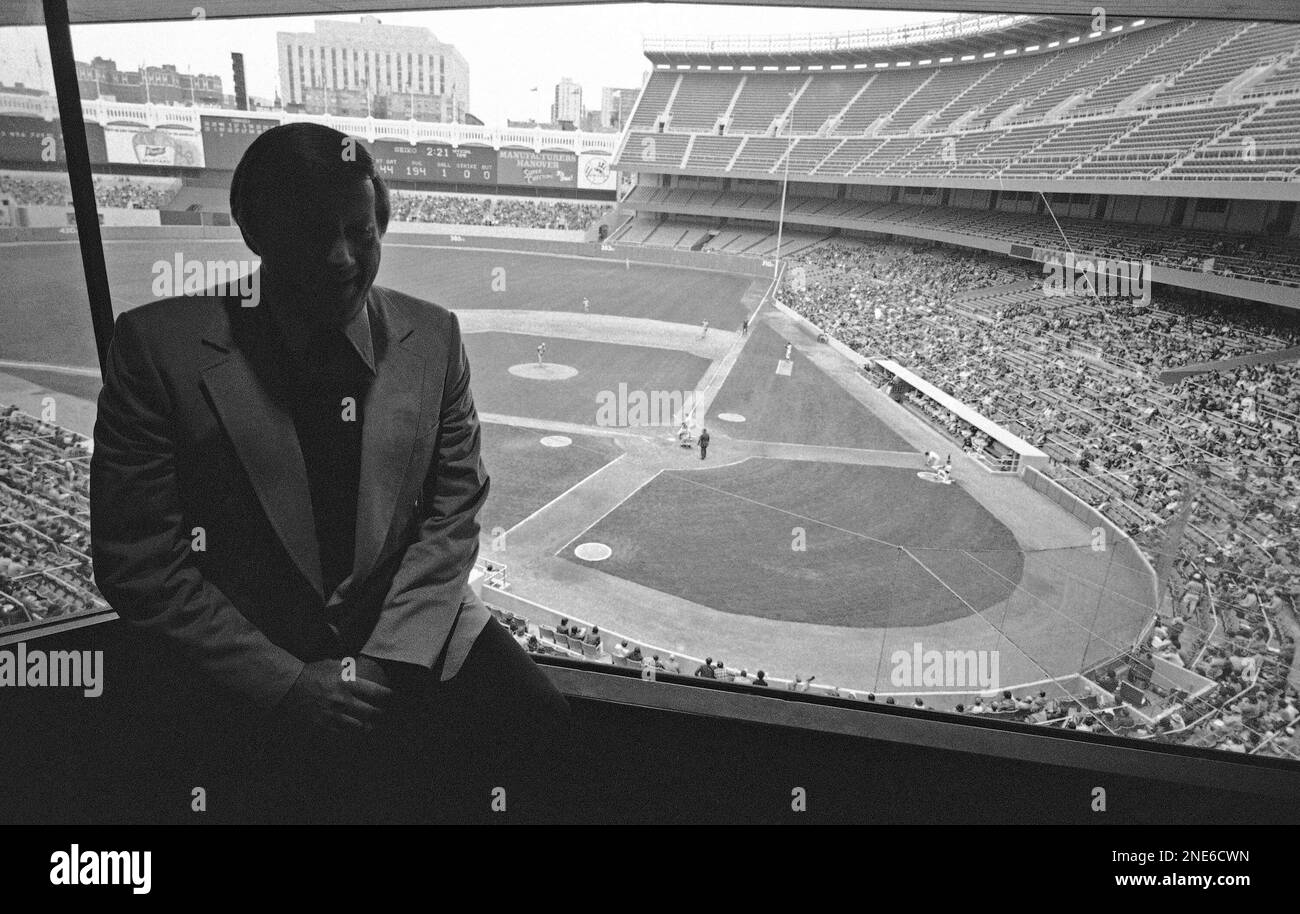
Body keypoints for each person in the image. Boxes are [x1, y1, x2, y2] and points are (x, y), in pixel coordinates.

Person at [89, 123, 572, 823]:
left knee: (542, 725)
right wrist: (285, 683)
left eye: (361, 231)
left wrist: (384, 660)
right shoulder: (156, 349)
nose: (343, 258)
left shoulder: (435, 336)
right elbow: (139, 561)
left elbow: (453, 512)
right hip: (251, 645)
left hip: (407, 625)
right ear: (257, 234)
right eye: (315, 234)